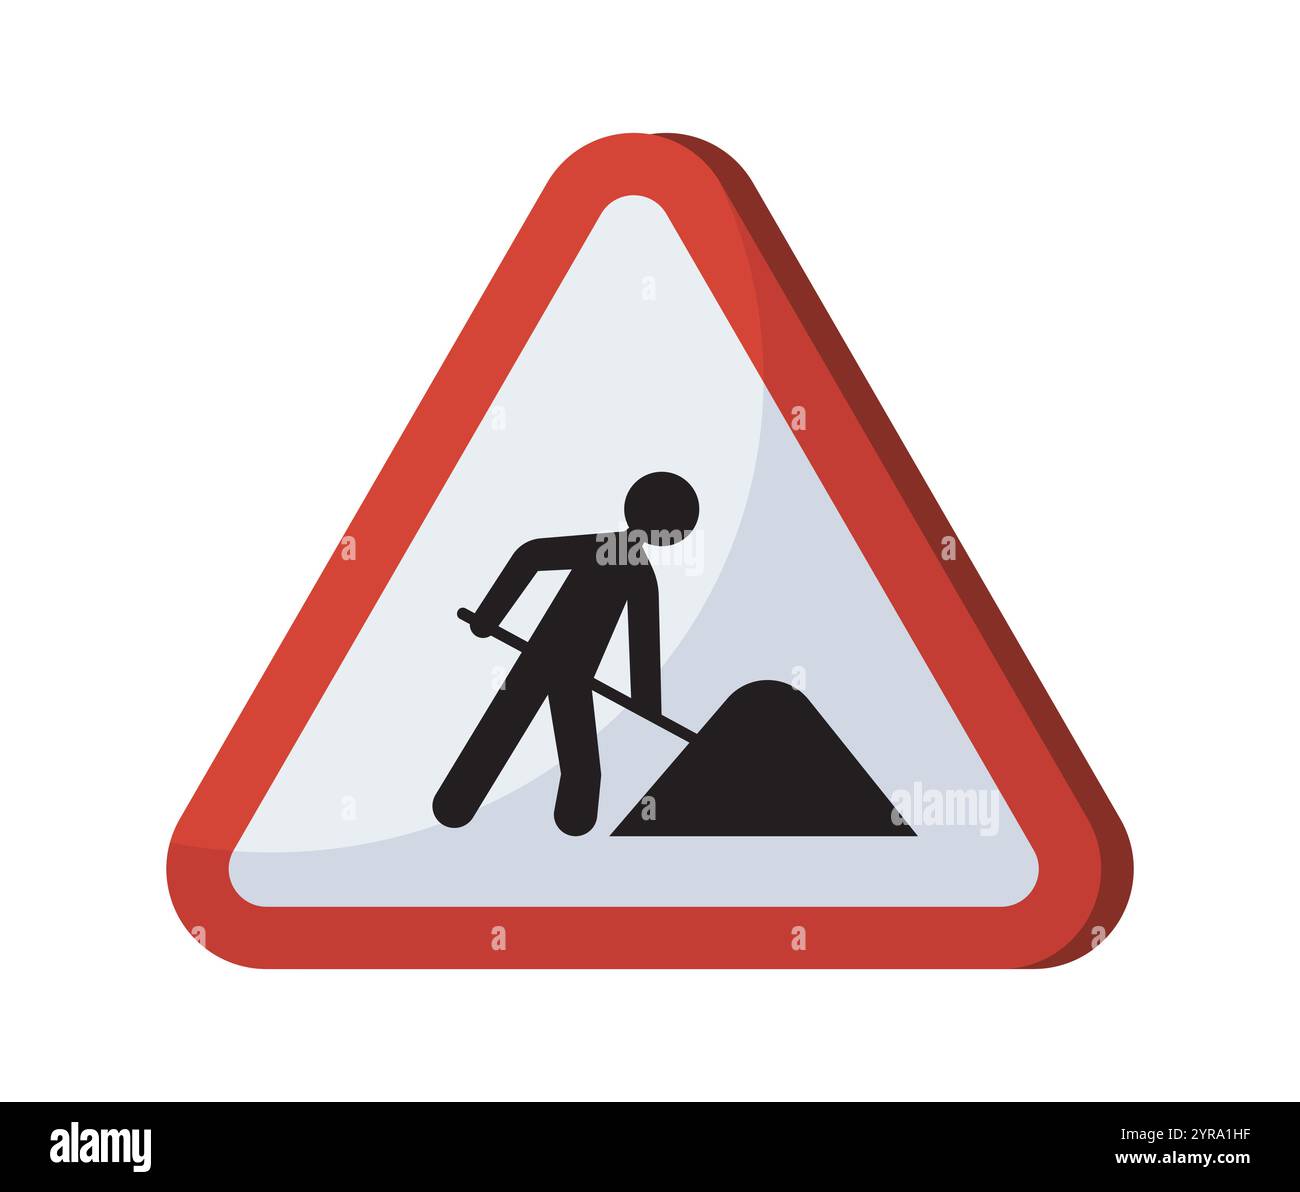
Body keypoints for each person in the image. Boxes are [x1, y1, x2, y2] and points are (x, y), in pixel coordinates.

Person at [432, 472, 699, 836]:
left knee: (507, 735)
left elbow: (531, 556)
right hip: (560, 667)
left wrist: (490, 616)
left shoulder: (622, 562)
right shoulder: (636, 570)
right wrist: (646, 701)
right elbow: (531, 555)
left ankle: (459, 804)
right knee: (541, 745)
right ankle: (469, 806)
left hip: (559, 668)